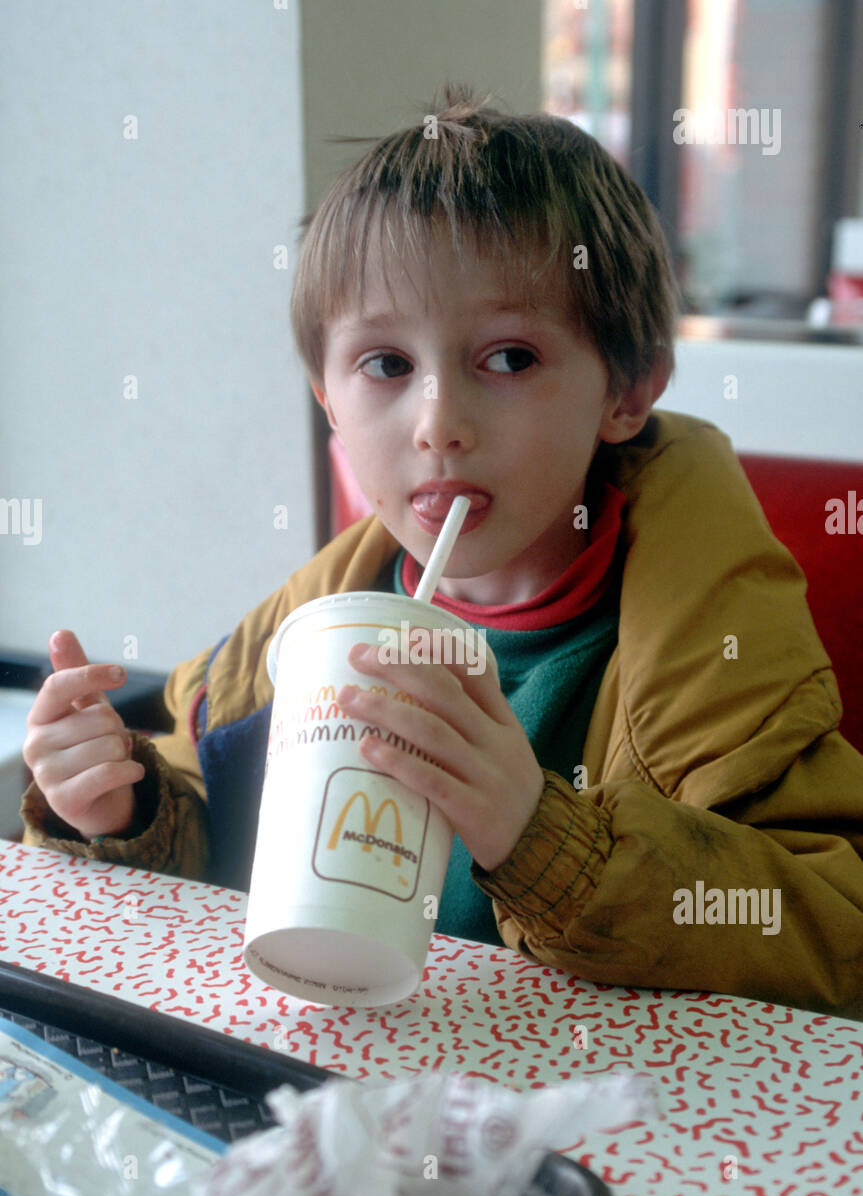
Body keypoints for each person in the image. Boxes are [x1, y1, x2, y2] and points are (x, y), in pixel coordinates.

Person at [19, 84, 863, 1017]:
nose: (438, 424)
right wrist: (123, 807)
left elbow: (836, 929)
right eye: (386, 365)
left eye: (508, 359)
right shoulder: (299, 639)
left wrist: (546, 839)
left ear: (626, 391)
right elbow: (210, 833)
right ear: (328, 398)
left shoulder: (714, 648)